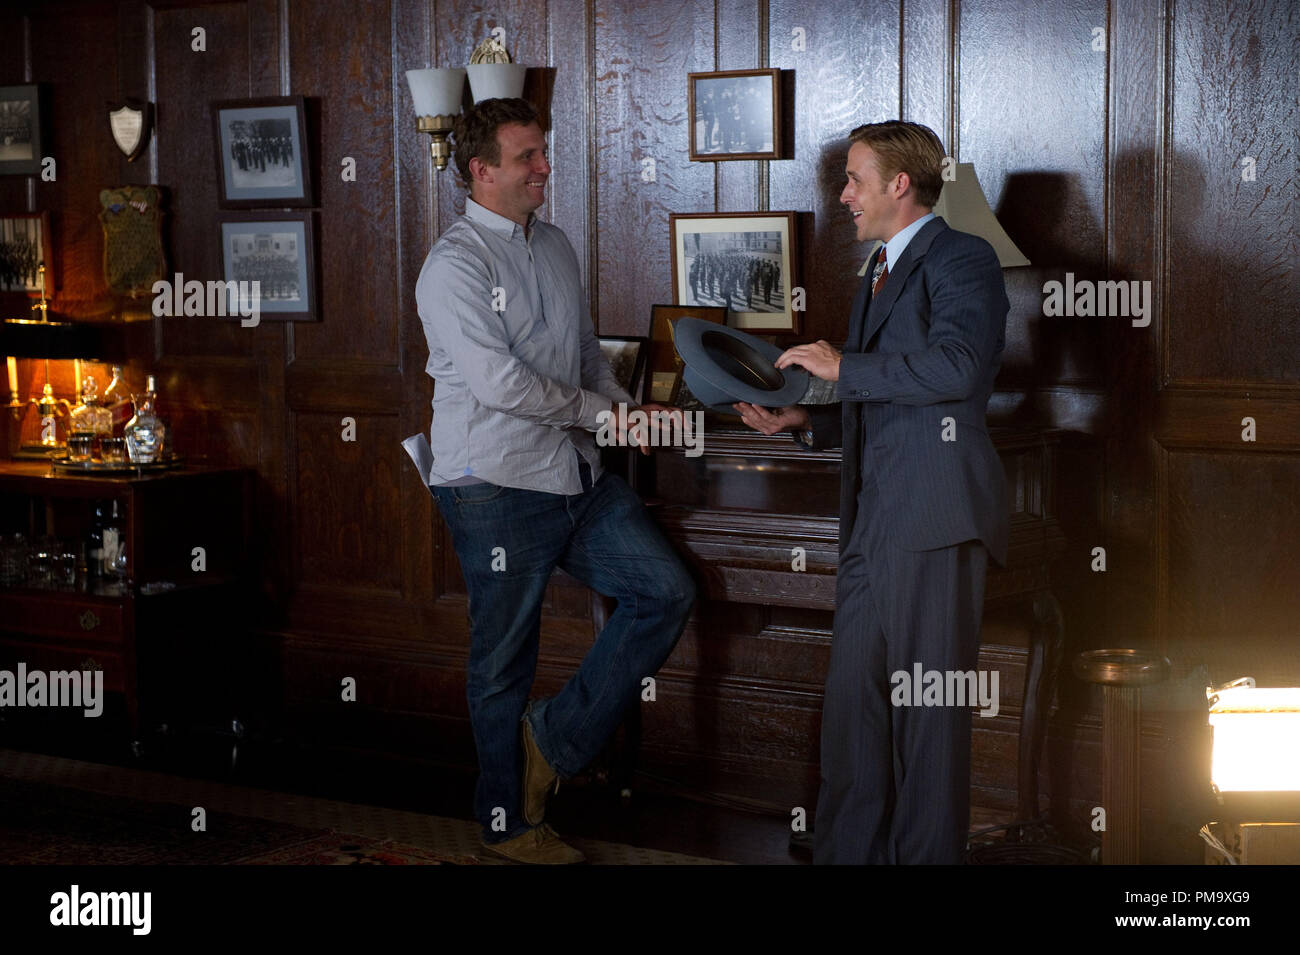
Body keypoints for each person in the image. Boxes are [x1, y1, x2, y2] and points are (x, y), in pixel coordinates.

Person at [402, 98, 696, 865]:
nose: (544, 167)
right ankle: (506, 822)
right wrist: (601, 413)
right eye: (528, 156)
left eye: (543, 151)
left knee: (666, 590)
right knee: (504, 662)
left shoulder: (557, 244)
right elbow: (502, 384)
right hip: (493, 484)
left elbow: (585, 358)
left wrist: (625, 412)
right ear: (481, 170)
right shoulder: (453, 266)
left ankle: (551, 742)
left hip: (575, 473)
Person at [734, 120, 1009, 864]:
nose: (844, 194)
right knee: (855, 715)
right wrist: (804, 421)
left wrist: (841, 368)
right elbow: (880, 402)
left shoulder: (964, 257)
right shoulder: (878, 270)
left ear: (900, 183)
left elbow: (955, 369)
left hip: (934, 517)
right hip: (870, 524)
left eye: (855, 178)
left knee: (928, 721)